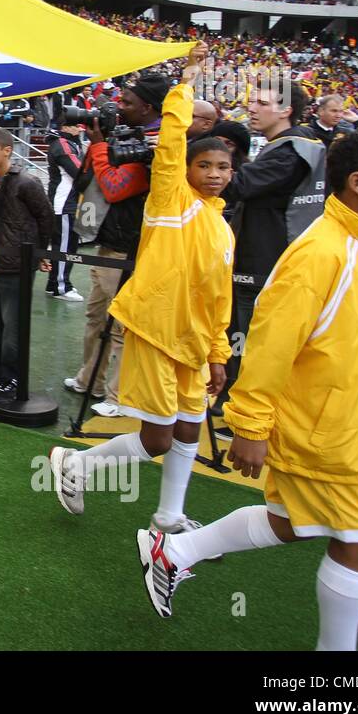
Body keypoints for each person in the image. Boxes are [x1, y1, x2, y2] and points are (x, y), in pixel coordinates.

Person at [137, 130, 358, 651]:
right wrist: (248, 425)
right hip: (320, 431)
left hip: (341, 424)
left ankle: (175, 553)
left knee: (295, 521)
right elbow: (271, 345)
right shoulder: (321, 253)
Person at [50, 46, 234, 535]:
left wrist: (217, 352)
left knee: (190, 428)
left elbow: (220, 299)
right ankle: (77, 464)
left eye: (224, 168)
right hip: (156, 332)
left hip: (194, 344)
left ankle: (169, 516)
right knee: (157, 438)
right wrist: (187, 81)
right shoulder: (170, 198)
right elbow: (172, 140)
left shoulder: (222, 229)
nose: (214, 174)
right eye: (206, 166)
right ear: (186, 170)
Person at [213, 81, 322, 429]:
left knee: (248, 334)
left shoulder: (290, 151)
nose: (252, 108)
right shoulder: (302, 145)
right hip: (276, 252)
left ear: (286, 109)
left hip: (264, 258)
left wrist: (208, 158)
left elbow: (240, 185)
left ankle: (238, 409)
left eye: (261, 102)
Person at [63, 72, 166, 418]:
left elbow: (115, 187)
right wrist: (100, 144)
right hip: (110, 240)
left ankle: (117, 394)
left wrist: (98, 145)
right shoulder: (126, 134)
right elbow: (88, 179)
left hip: (131, 244)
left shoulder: (156, 143)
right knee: (96, 314)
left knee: (119, 322)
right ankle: (90, 378)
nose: (119, 108)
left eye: (127, 103)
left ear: (148, 107)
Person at [0, 129, 52, 395]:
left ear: (7, 151)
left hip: (19, 263)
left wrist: (41, 254)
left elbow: (45, 217)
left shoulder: (26, 182)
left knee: (12, 327)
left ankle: (13, 375)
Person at [45, 119, 85, 301]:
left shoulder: (64, 143)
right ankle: (61, 287)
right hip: (64, 205)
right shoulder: (62, 144)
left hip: (65, 204)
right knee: (65, 247)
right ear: (65, 127)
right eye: (76, 125)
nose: (79, 128)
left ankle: (54, 283)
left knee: (65, 246)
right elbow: (80, 172)